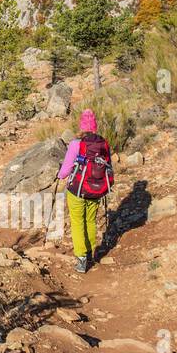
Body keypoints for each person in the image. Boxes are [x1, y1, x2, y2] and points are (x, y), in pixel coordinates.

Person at [55, 109, 113, 273]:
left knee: (77, 222)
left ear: (81, 126)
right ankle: (90, 253)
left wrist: (60, 176)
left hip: (77, 190)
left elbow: (66, 169)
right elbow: (109, 168)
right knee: (90, 221)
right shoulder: (104, 144)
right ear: (95, 126)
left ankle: (81, 259)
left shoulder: (76, 144)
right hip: (96, 190)